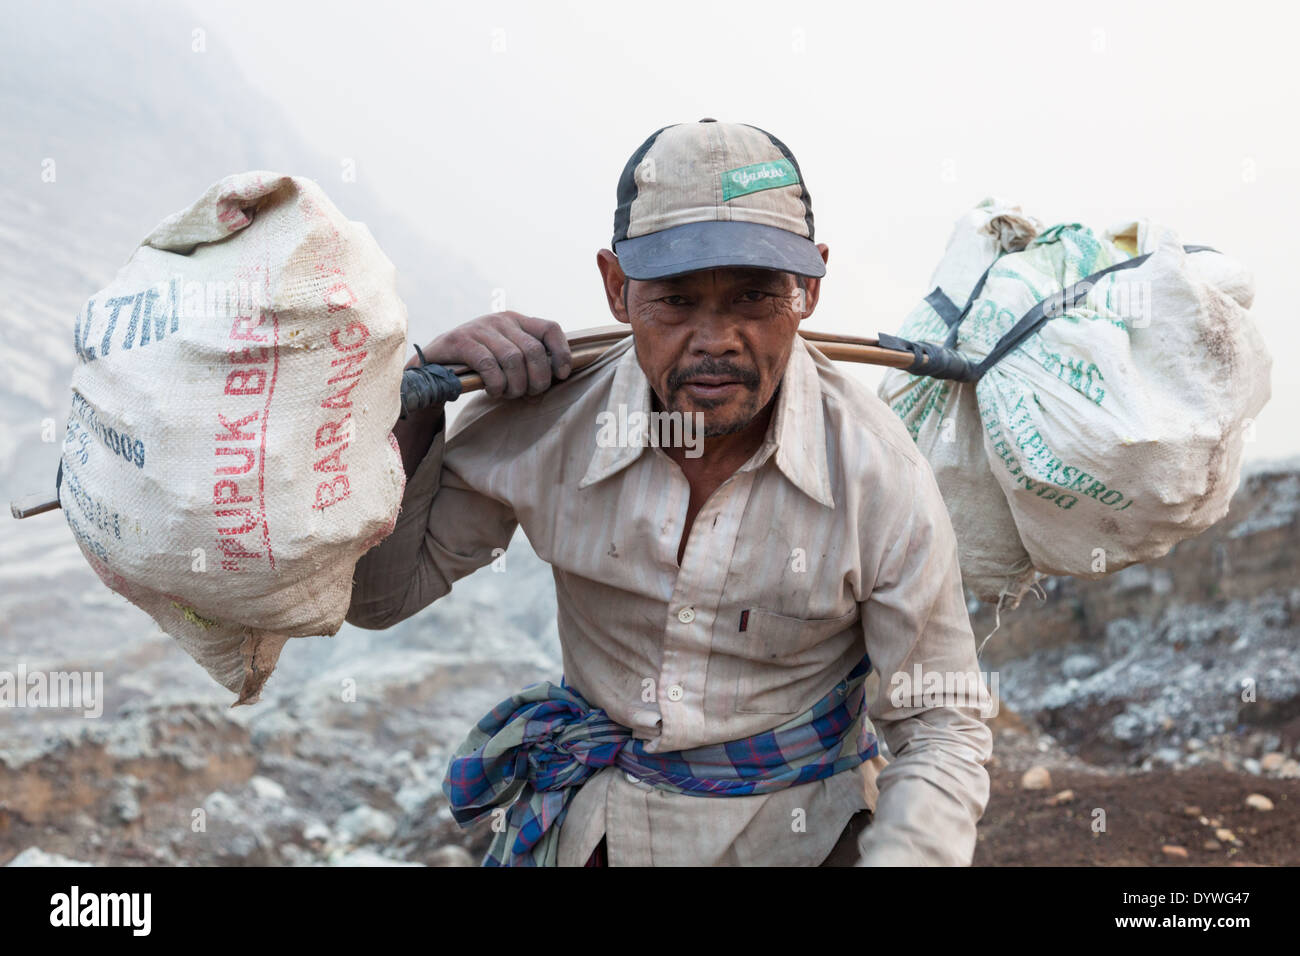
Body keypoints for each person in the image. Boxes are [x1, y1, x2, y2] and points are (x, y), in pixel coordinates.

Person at [346, 119, 993, 866]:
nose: (715, 339)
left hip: (802, 838)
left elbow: (941, 721)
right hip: (600, 832)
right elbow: (378, 598)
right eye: (677, 302)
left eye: (754, 298)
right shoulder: (543, 421)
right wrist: (420, 402)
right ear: (617, 288)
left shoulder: (878, 472)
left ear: (809, 286)